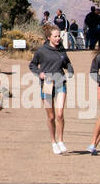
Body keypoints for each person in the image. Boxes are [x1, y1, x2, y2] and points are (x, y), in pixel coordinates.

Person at [29, 24, 75, 154]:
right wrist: (40, 73)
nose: (58, 38)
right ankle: (53, 142)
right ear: (49, 37)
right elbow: (32, 65)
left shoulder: (61, 50)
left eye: (59, 36)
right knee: (51, 116)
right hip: (47, 84)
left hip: (60, 83)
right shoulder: (41, 51)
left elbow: (67, 62)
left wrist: (70, 70)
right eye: (55, 36)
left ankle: (60, 140)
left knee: (60, 115)